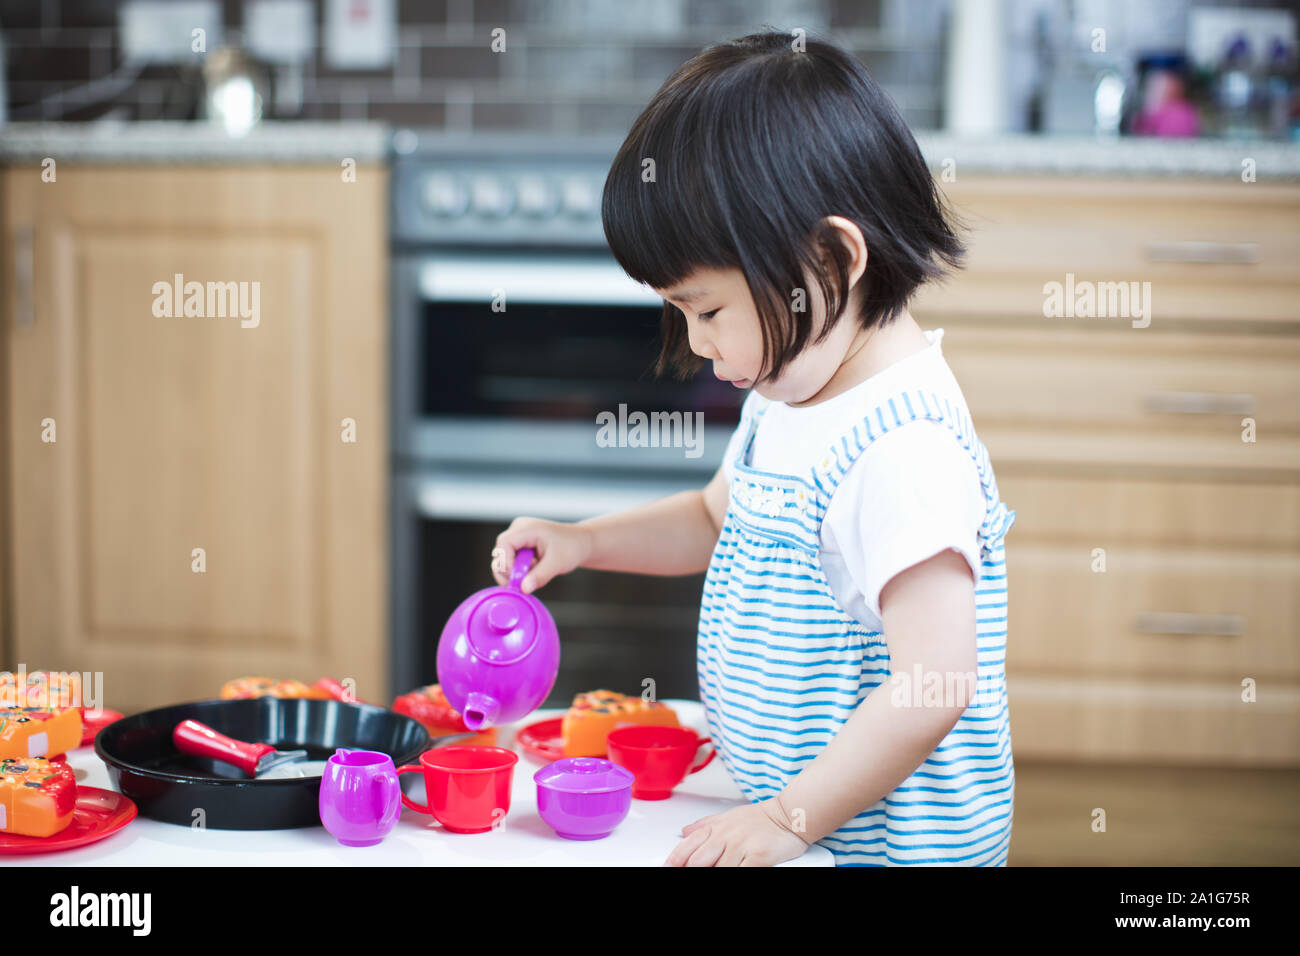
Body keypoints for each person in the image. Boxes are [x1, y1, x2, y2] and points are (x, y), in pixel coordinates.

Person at [491, 30, 1016, 866]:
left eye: (708, 311)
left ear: (834, 259)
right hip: (800, 822)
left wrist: (788, 819)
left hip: (882, 848)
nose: (698, 345)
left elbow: (936, 683)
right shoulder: (792, 392)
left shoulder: (904, 448)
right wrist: (585, 541)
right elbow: (711, 518)